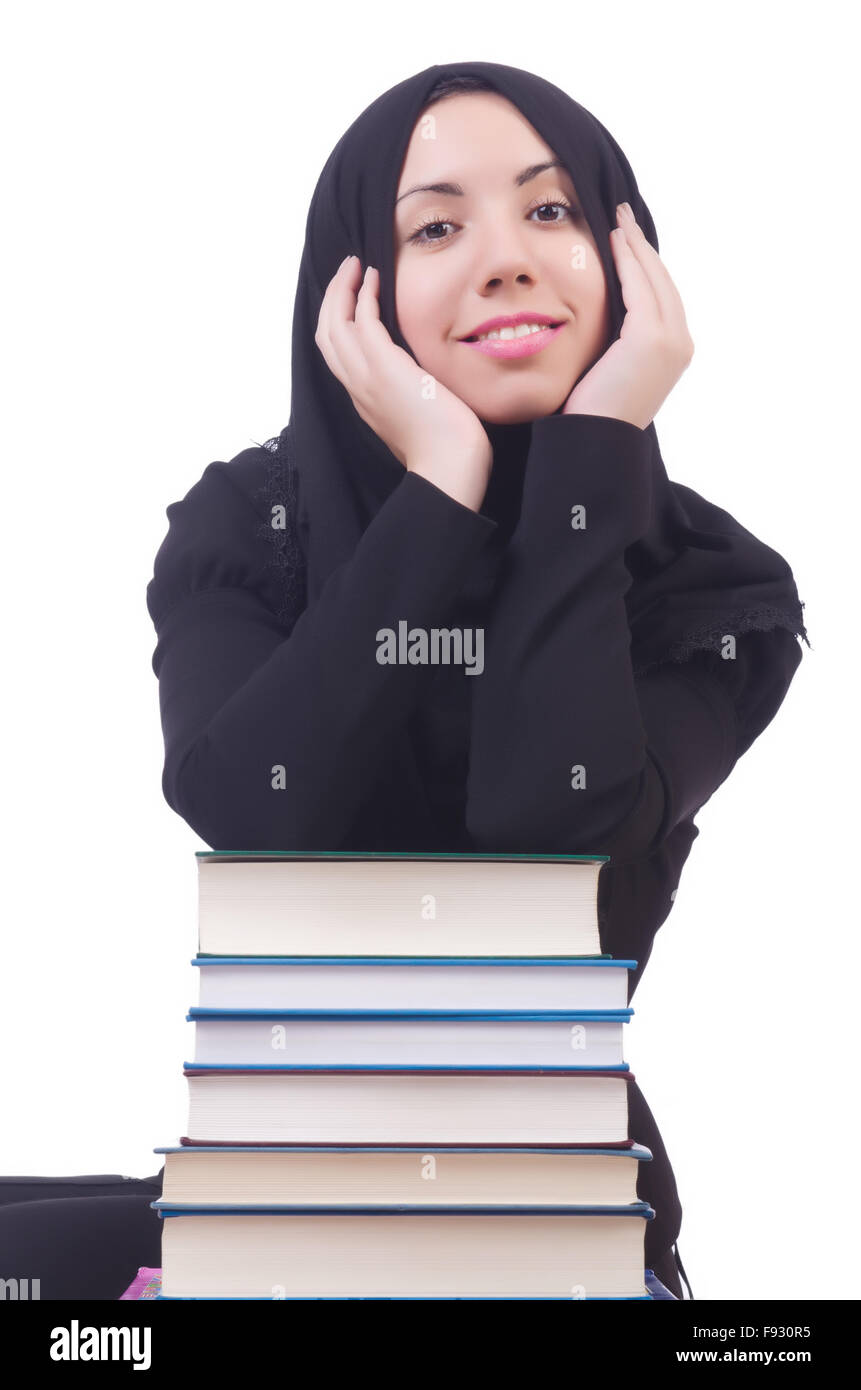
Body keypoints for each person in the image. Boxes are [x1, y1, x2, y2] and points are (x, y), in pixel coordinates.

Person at [0, 60, 808, 1301]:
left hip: (554, 1219)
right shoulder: (248, 530)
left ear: (632, 265)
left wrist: (584, 467)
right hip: (269, 1187)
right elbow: (257, 806)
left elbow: (555, 813)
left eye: (551, 212)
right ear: (353, 295)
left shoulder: (703, 585)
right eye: (437, 225)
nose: (507, 258)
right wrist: (439, 492)